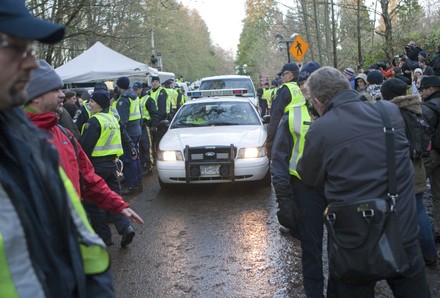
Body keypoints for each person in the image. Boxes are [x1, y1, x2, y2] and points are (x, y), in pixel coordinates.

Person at [0, 1, 115, 296]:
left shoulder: (31, 139)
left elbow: (76, 230)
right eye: (11, 46)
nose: (29, 63)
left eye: (30, 50)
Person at [298, 66, 430, 297]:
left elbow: (309, 177)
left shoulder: (320, 130)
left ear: (318, 103)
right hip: (401, 230)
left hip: (354, 240)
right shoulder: (388, 112)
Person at [24, 60, 143, 246]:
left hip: (69, 238)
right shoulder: (12, 138)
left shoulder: (64, 134)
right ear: (35, 96)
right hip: (33, 247)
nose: (62, 95)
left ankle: (105, 239)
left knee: (96, 207)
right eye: (55, 90)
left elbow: (87, 176)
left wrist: (119, 205)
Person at [271, 62, 331, 297]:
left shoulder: (339, 110)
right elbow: (279, 158)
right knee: (312, 246)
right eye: (301, 83)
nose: (304, 88)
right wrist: (284, 198)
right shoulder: (293, 112)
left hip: (337, 187)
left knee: (342, 247)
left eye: (308, 83)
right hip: (305, 188)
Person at [381, 78, 437, 268]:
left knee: (406, 211)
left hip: (403, 168)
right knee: (419, 209)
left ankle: (409, 255)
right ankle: (430, 254)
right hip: (418, 165)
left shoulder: (393, 114)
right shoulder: (416, 108)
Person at [114, 76, 143, 195]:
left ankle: (132, 186)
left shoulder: (123, 100)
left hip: (129, 133)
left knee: (128, 159)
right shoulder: (134, 97)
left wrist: (123, 136)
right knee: (135, 157)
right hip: (137, 130)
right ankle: (137, 182)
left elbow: (122, 122)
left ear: (119, 87)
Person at [266, 62, 302, 159]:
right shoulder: (303, 89)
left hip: (286, 139)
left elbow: (275, 120)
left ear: (289, 75)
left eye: (283, 75)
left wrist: (269, 145)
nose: (281, 78)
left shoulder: (284, 91)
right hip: (303, 139)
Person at [420, 75, 440, 243]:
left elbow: (421, 133)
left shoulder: (428, 108)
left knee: (411, 190)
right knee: (438, 193)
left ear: (432, 89)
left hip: (432, 153)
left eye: (423, 89)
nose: (421, 92)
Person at [139, 81, 159, 175]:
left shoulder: (148, 99)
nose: (135, 91)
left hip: (146, 126)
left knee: (147, 146)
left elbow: (154, 113)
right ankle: (144, 165)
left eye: (136, 89)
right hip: (139, 126)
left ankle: (149, 166)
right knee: (141, 147)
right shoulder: (136, 99)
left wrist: (153, 125)